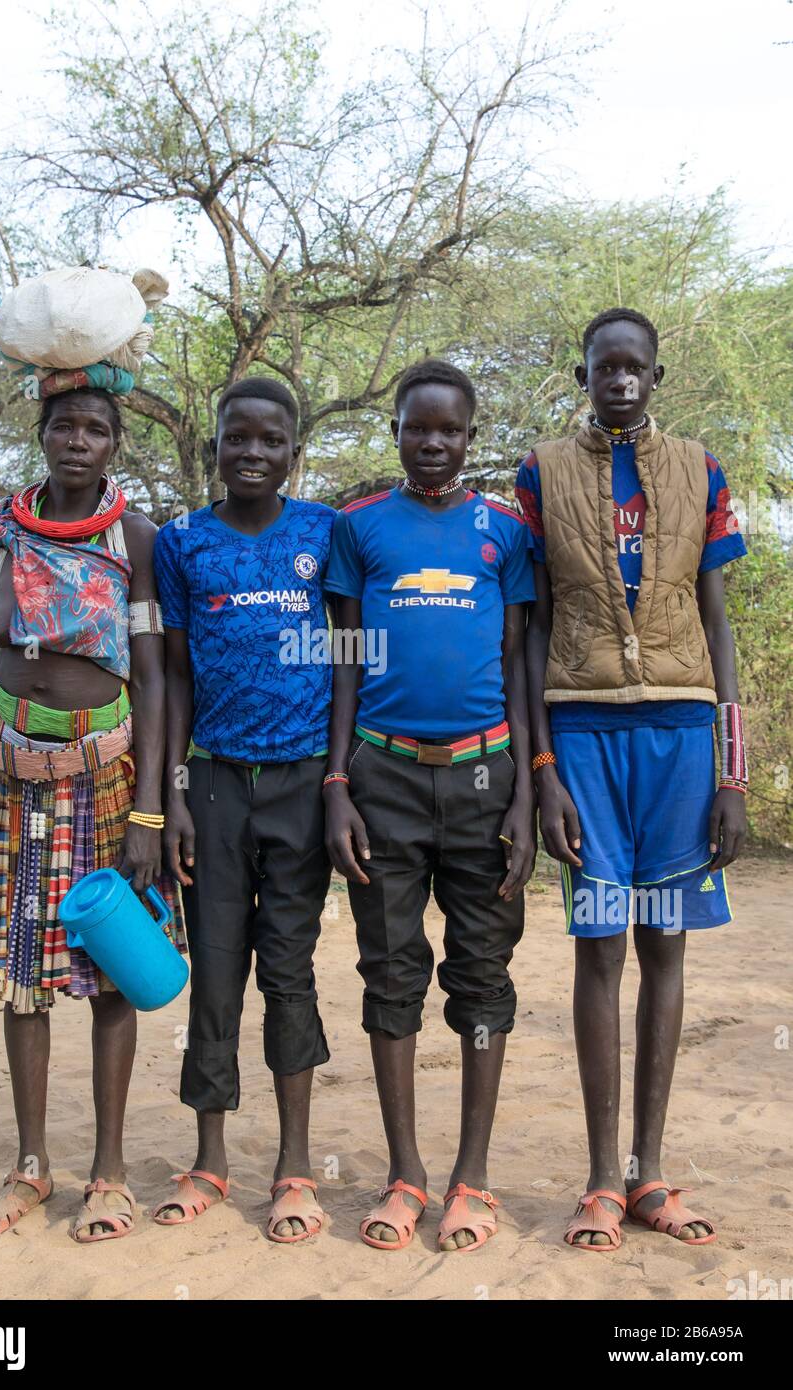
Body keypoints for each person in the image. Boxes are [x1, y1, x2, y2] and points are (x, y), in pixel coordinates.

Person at [0, 384, 182, 1243]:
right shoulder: (3, 534)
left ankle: (108, 1173)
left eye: (97, 429)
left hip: (103, 778)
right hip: (5, 778)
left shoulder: (133, 538)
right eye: (65, 426)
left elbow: (150, 679)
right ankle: (31, 1165)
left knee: (108, 970)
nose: (79, 440)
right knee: (21, 973)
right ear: (41, 435)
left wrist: (149, 812)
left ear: (116, 444)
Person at [516, 307, 748, 1251]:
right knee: (598, 948)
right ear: (582, 377)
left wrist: (733, 773)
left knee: (664, 944)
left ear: (654, 376)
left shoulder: (700, 468)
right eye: (602, 368)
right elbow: (528, 628)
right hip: (580, 730)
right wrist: (540, 770)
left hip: (684, 732)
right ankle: (600, 1179)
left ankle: (652, 1173)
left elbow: (717, 620)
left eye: (634, 368)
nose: (618, 381)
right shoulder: (540, 470)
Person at [324, 359, 535, 1252]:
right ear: (397, 432)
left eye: (449, 430)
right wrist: (337, 784)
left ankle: (470, 1177)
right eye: (418, 428)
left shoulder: (506, 531)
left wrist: (529, 785)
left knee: (482, 976)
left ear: (470, 436)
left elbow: (522, 658)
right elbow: (343, 661)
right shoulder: (359, 527)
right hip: (383, 779)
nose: (433, 443)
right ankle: (404, 1172)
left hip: (488, 779)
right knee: (390, 970)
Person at [154, 378, 336, 1243]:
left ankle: (294, 1166)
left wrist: (338, 782)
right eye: (237, 439)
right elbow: (176, 677)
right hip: (216, 786)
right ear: (215, 446)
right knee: (217, 975)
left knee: (289, 974)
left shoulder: (323, 534)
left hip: (302, 785)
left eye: (270, 441)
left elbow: (346, 665)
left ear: (292, 453)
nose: (252, 453)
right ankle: (210, 1160)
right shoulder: (183, 541)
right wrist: (176, 792)